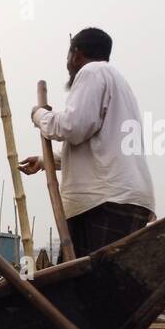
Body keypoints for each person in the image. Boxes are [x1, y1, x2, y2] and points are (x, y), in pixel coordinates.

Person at [20, 27, 155, 258]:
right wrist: (44, 161)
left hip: (104, 202)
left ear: (76, 54)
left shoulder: (92, 72)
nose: (68, 64)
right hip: (125, 198)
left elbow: (73, 127)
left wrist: (39, 115)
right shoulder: (117, 82)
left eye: (68, 57)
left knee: (86, 287)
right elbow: (95, 144)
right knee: (102, 285)